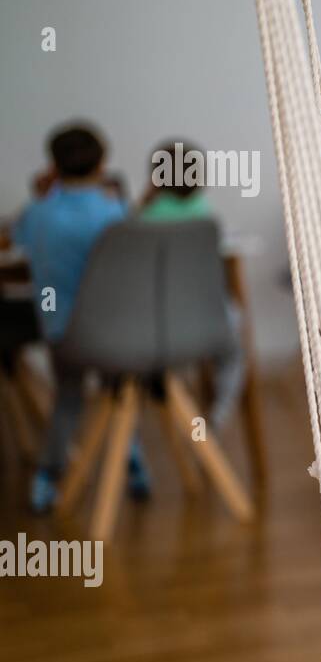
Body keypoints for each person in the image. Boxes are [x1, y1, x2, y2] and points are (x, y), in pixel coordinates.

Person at [12, 122, 150, 513]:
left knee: (68, 400)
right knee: (120, 391)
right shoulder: (118, 211)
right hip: (116, 334)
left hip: (63, 335)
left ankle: (46, 479)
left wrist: (42, 194)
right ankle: (133, 461)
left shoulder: (37, 215)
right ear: (103, 164)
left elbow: (17, 237)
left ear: (52, 166)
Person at [137, 140, 245, 434]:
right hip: (208, 317)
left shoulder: (146, 216)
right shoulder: (203, 212)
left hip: (159, 324)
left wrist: (145, 200)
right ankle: (220, 412)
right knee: (234, 345)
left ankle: (169, 398)